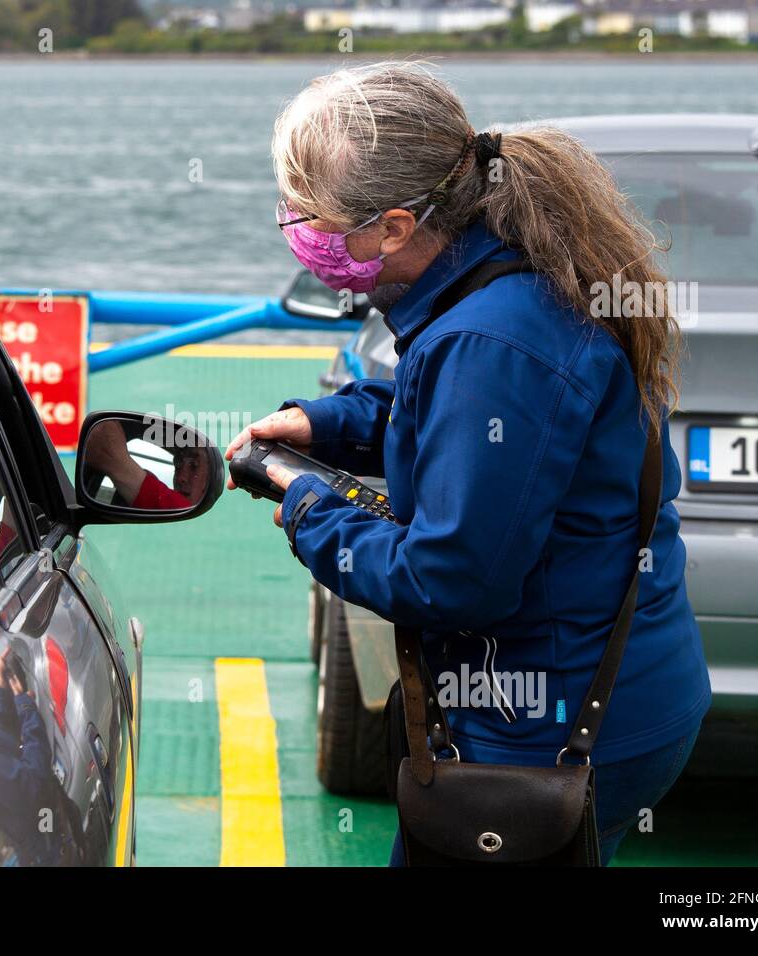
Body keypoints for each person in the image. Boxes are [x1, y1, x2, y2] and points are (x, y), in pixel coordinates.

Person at [226, 60, 711, 865]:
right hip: (612, 698)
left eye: (310, 215)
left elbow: (451, 581)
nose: (296, 229)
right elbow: (484, 437)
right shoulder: (504, 278)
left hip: (543, 735)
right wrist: (329, 423)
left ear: (392, 227)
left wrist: (308, 508)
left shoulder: (491, 340)